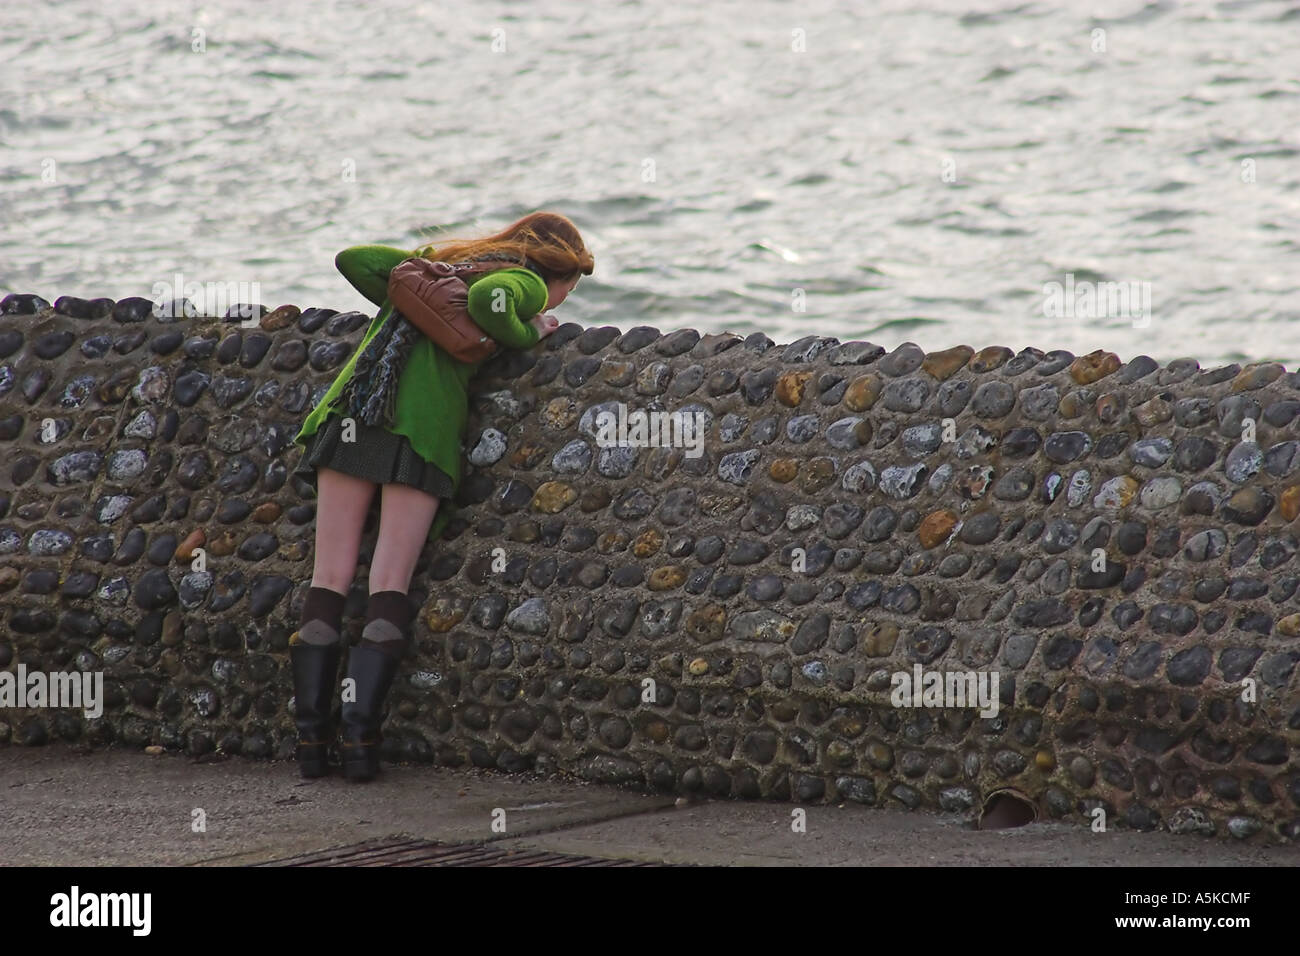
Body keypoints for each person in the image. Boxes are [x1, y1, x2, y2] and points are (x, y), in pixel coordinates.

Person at [286, 211, 594, 781]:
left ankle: (310, 745)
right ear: (562, 276)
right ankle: (358, 745)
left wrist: (421, 278)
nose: (558, 304)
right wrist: (533, 330)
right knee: (387, 588)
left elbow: (354, 259)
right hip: (416, 429)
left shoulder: (443, 260)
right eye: (567, 295)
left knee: (328, 580)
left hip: (349, 413)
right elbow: (491, 306)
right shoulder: (521, 280)